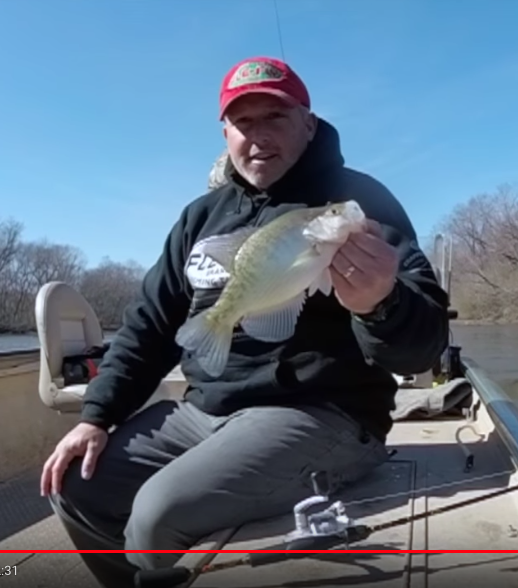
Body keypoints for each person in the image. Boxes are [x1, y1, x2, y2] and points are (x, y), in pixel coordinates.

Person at [40, 55, 450, 587]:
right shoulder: (201, 215)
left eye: (274, 118)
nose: (258, 136)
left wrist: (382, 301)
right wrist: (97, 416)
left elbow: (423, 346)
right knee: (73, 484)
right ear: (225, 132)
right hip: (205, 412)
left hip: (322, 413)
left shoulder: (358, 201)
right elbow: (149, 325)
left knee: (156, 515)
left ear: (307, 122)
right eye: (243, 122)